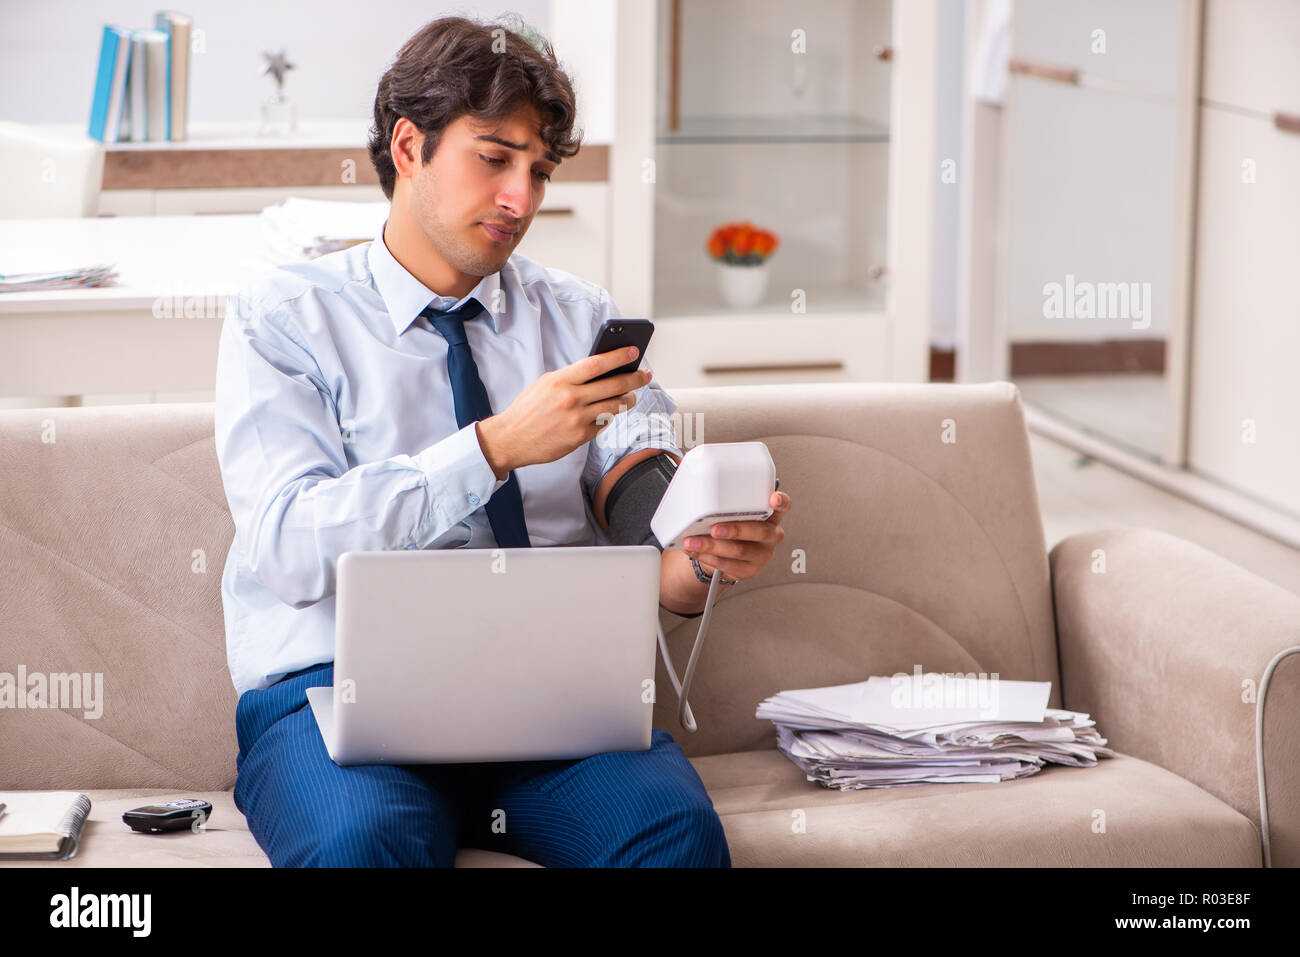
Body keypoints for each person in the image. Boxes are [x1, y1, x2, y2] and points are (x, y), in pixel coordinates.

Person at [214, 14, 792, 868]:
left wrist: (704, 556)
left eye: (539, 169)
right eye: (494, 158)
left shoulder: (580, 319)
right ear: (408, 147)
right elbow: (288, 546)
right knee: (360, 841)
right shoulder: (286, 319)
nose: (521, 198)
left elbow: (648, 526)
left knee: (671, 832)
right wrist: (493, 446)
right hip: (335, 693)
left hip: (549, 698)